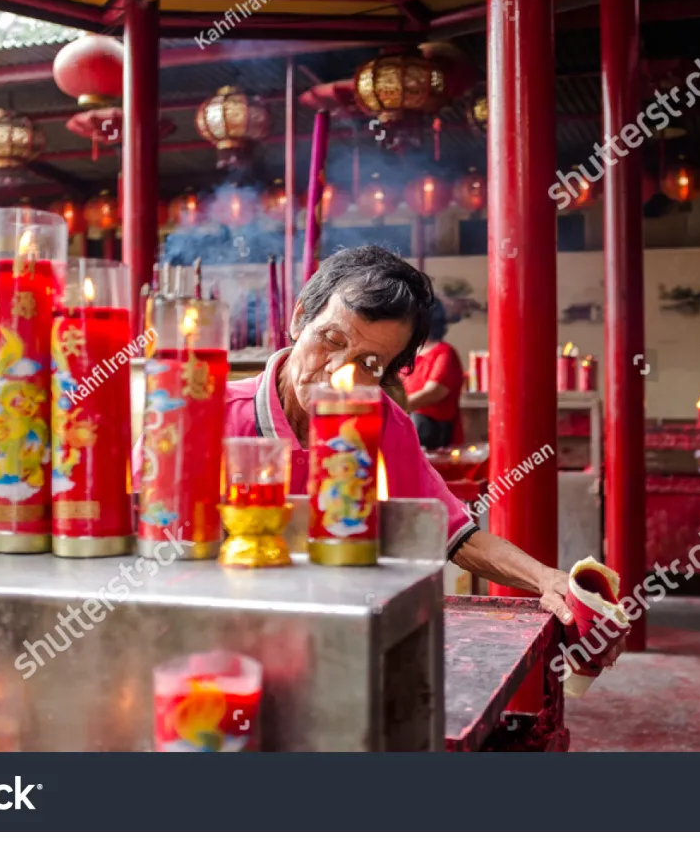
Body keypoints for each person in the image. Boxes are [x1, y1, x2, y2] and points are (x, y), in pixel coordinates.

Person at [135, 247, 619, 665]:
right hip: (211, 637)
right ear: (300, 315)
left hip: (335, 644)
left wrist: (546, 579)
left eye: (369, 363)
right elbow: (145, 538)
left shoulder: (384, 422)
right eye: (331, 339)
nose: (338, 372)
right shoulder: (202, 415)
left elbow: (454, 534)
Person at [400, 298, 464, 450]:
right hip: (406, 422)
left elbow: (434, 392)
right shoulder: (407, 354)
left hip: (430, 431)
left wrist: (396, 408)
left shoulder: (444, 352)